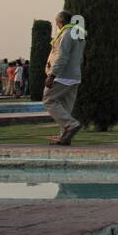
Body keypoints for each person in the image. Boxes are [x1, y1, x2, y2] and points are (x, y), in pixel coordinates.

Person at [42, 10, 85, 146]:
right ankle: (64, 137)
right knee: (66, 108)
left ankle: (71, 124)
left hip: (63, 76)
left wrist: (52, 75)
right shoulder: (78, 35)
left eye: (57, 22)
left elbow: (62, 56)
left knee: (49, 100)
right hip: (74, 76)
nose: (57, 25)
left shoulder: (66, 34)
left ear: (61, 22)